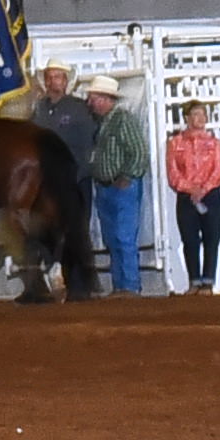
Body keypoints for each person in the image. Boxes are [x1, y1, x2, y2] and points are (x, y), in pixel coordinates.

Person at [80, 73, 148, 296]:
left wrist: (127, 176)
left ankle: (129, 285)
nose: (90, 103)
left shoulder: (122, 119)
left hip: (120, 187)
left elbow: (139, 152)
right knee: (113, 238)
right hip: (106, 186)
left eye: (94, 98)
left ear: (105, 99)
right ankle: (122, 285)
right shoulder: (104, 122)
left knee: (123, 237)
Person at [164, 99, 220, 294]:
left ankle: (208, 281)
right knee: (189, 239)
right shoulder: (175, 143)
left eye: (202, 114)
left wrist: (203, 189)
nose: (200, 118)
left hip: (210, 195)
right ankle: (194, 280)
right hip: (186, 197)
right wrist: (191, 189)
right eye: (195, 114)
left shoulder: (214, 144)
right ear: (187, 118)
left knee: (211, 238)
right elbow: (173, 174)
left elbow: (219, 172)